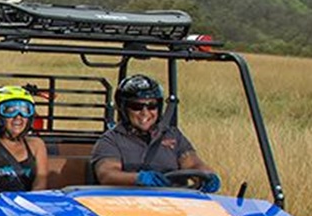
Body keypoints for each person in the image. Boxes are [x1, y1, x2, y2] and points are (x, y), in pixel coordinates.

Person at [90, 74, 220, 192]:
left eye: (152, 106)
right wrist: (139, 179)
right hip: (128, 206)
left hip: (174, 204)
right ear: (124, 109)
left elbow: (193, 164)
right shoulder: (111, 140)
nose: (145, 113)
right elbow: (107, 174)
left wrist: (208, 176)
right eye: (137, 107)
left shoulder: (173, 136)